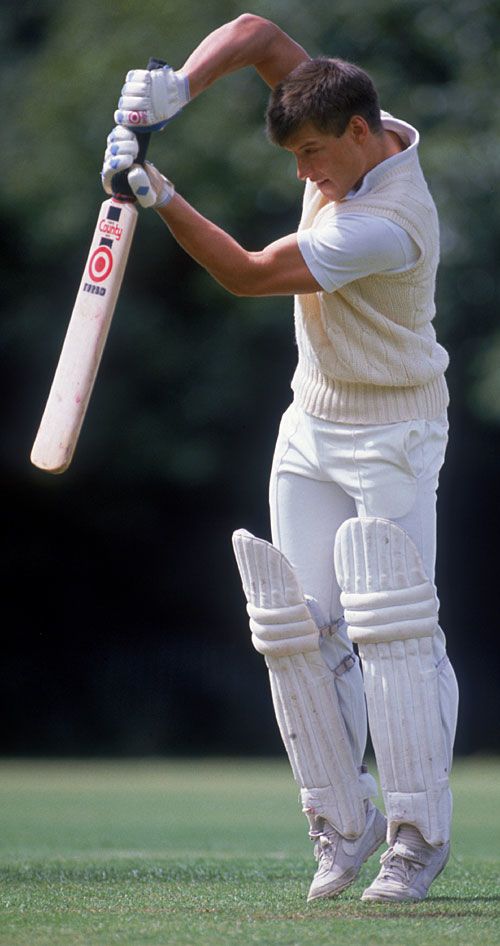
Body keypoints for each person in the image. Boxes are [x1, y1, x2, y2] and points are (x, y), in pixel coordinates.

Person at [101, 14, 459, 903]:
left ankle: (416, 841)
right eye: (293, 156)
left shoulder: (387, 220)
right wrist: (175, 90)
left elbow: (252, 273)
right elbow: (260, 35)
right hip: (312, 422)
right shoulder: (338, 111)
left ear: (359, 134)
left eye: (311, 156)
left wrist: (157, 192)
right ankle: (343, 826)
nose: (304, 175)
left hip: (395, 433)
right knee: (296, 632)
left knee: (396, 636)